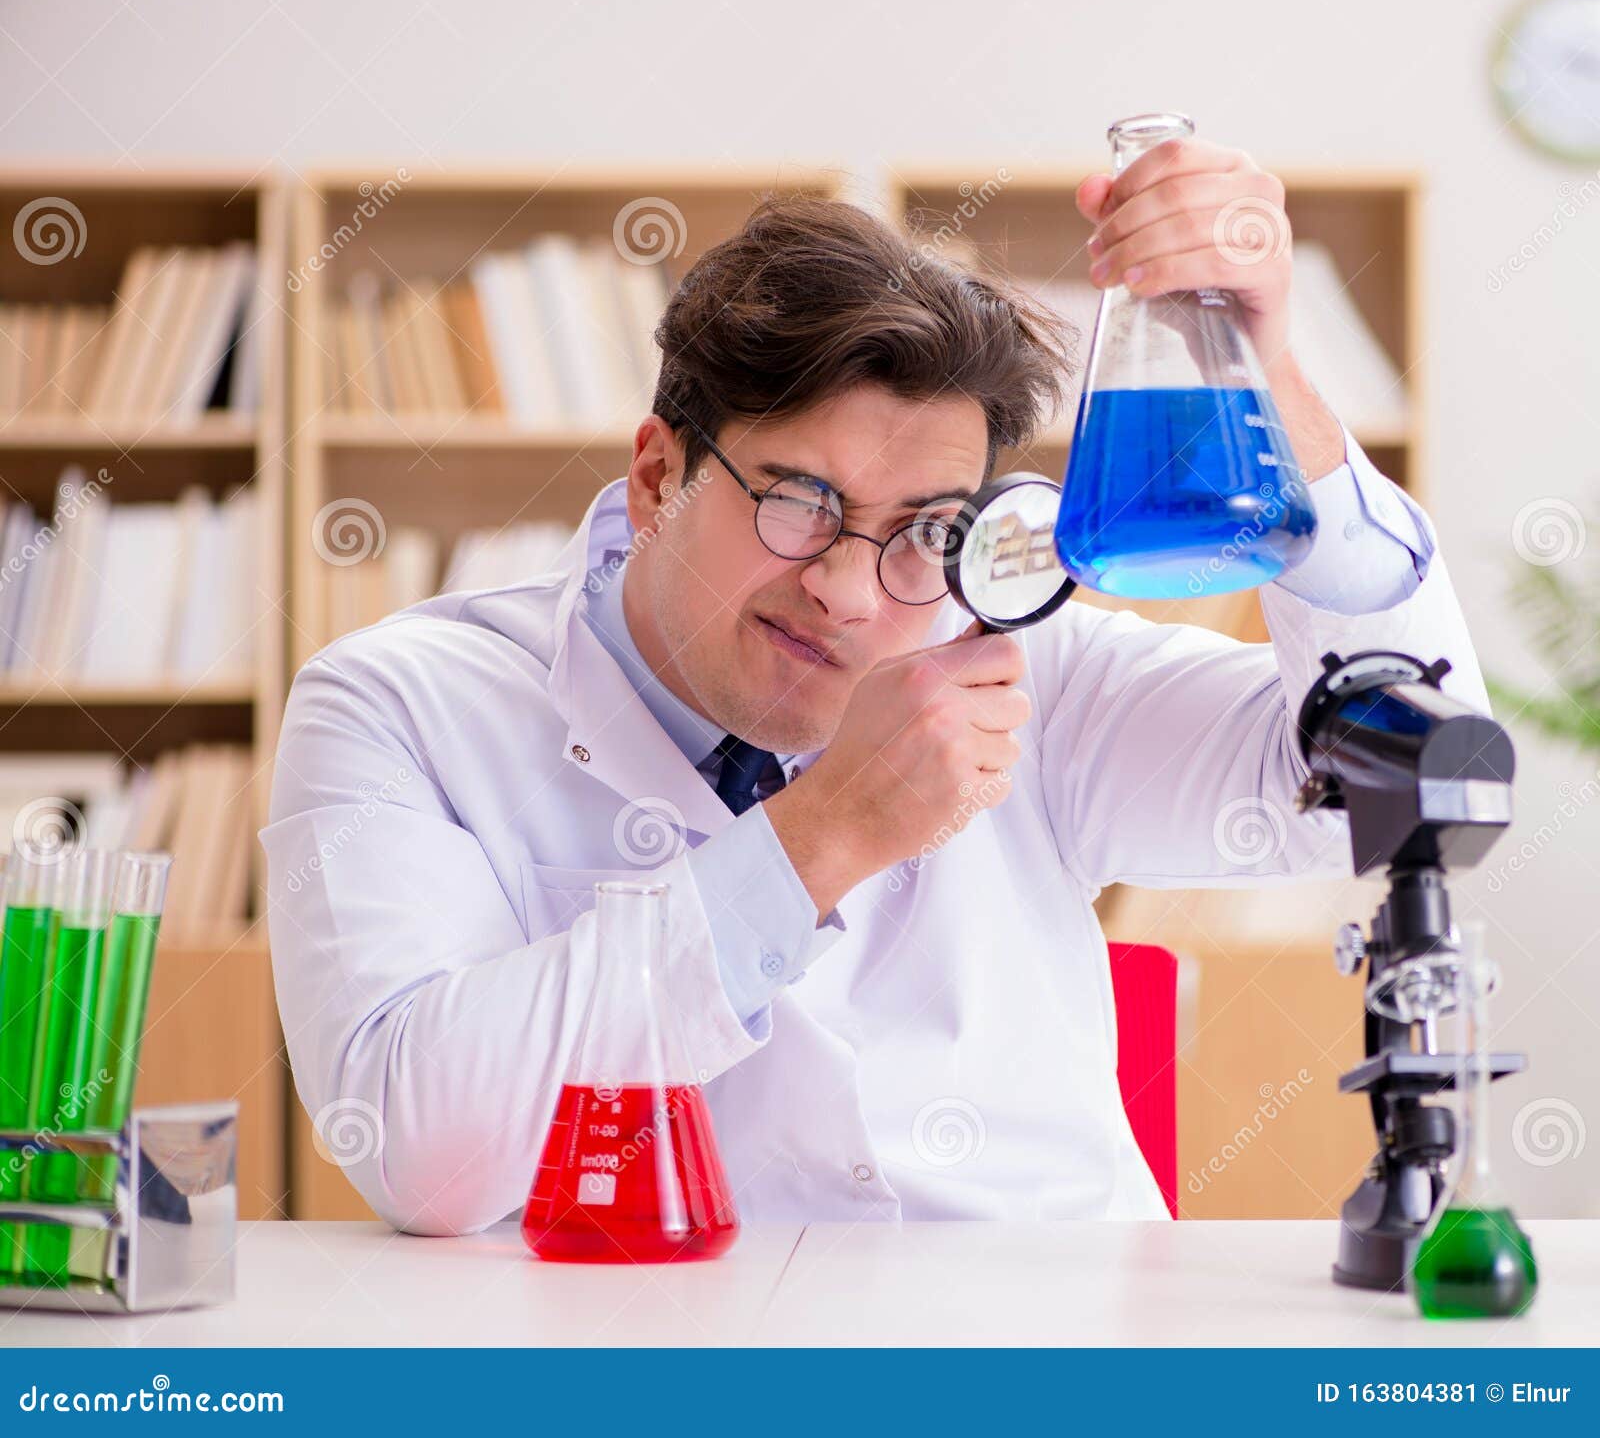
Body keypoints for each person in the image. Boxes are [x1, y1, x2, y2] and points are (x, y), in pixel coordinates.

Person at [263, 138, 1483, 1235]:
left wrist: (1276, 389)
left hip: (1057, 1344)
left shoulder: (1028, 663)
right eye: (799, 502)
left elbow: (1395, 773)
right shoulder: (398, 703)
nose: (851, 591)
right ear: (655, 477)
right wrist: (821, 835)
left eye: (924, 527)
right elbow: (416, 1152)